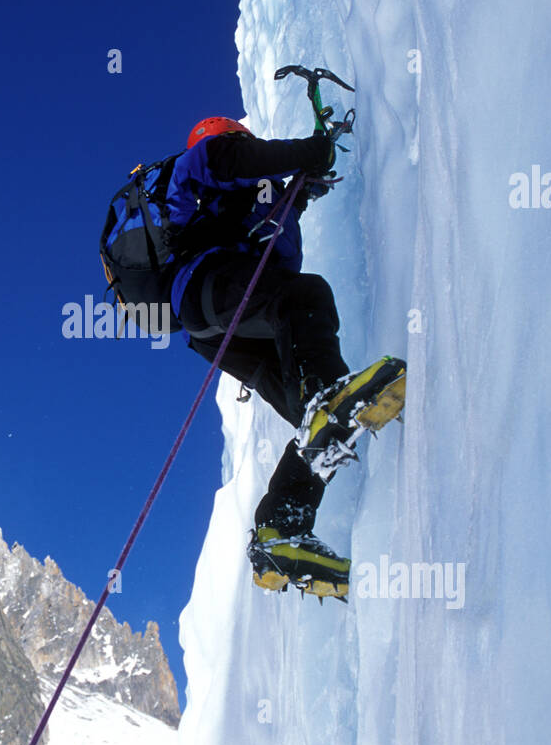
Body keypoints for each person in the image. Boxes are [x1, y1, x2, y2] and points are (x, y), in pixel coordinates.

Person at [162, 116, 402, 600]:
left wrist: (300, 189)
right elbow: (242, 163)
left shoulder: (235, 202)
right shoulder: (200, 163)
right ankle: (328, 405)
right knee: (305, 297)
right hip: (209, 286)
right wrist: (307, 151)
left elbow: (270, 239)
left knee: (309, 412)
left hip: (220, 325)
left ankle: (280, 527)